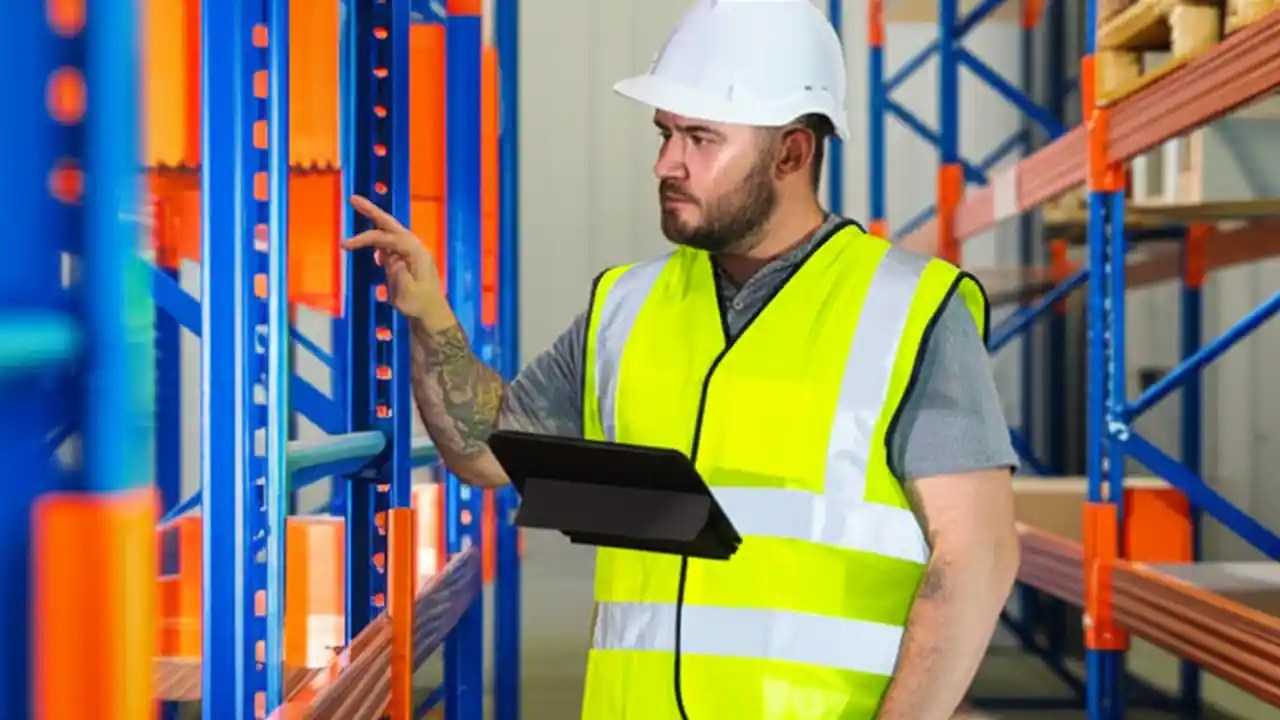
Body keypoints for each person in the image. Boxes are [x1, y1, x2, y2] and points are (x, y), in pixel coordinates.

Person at [343, 0, 1020, 717]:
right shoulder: (624, 309)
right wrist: (430, 318)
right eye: (665, 133)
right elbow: (486, 452)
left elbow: (976, 559)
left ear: (792, 152)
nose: (668, 162)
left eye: (701, 138)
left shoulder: (910, 312)